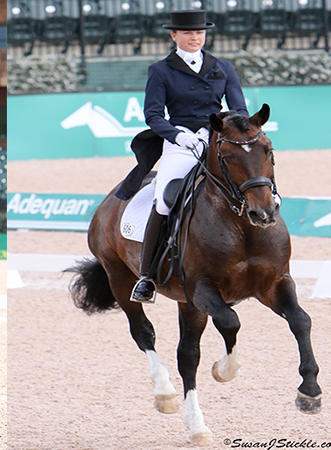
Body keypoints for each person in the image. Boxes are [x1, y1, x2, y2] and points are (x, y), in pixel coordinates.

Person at [129, 10, 249, 303]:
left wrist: (221, 130)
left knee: (251, 182)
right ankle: (147, 277)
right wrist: (179, 135)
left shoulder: (223, 67)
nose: (195, 38)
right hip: (180, 142)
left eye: (199, 33)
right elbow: (153, 115)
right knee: (165, 198)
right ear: (174, 35)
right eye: (188, 34)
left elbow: (241, 111)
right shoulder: (160, 70)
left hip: (215, 140)